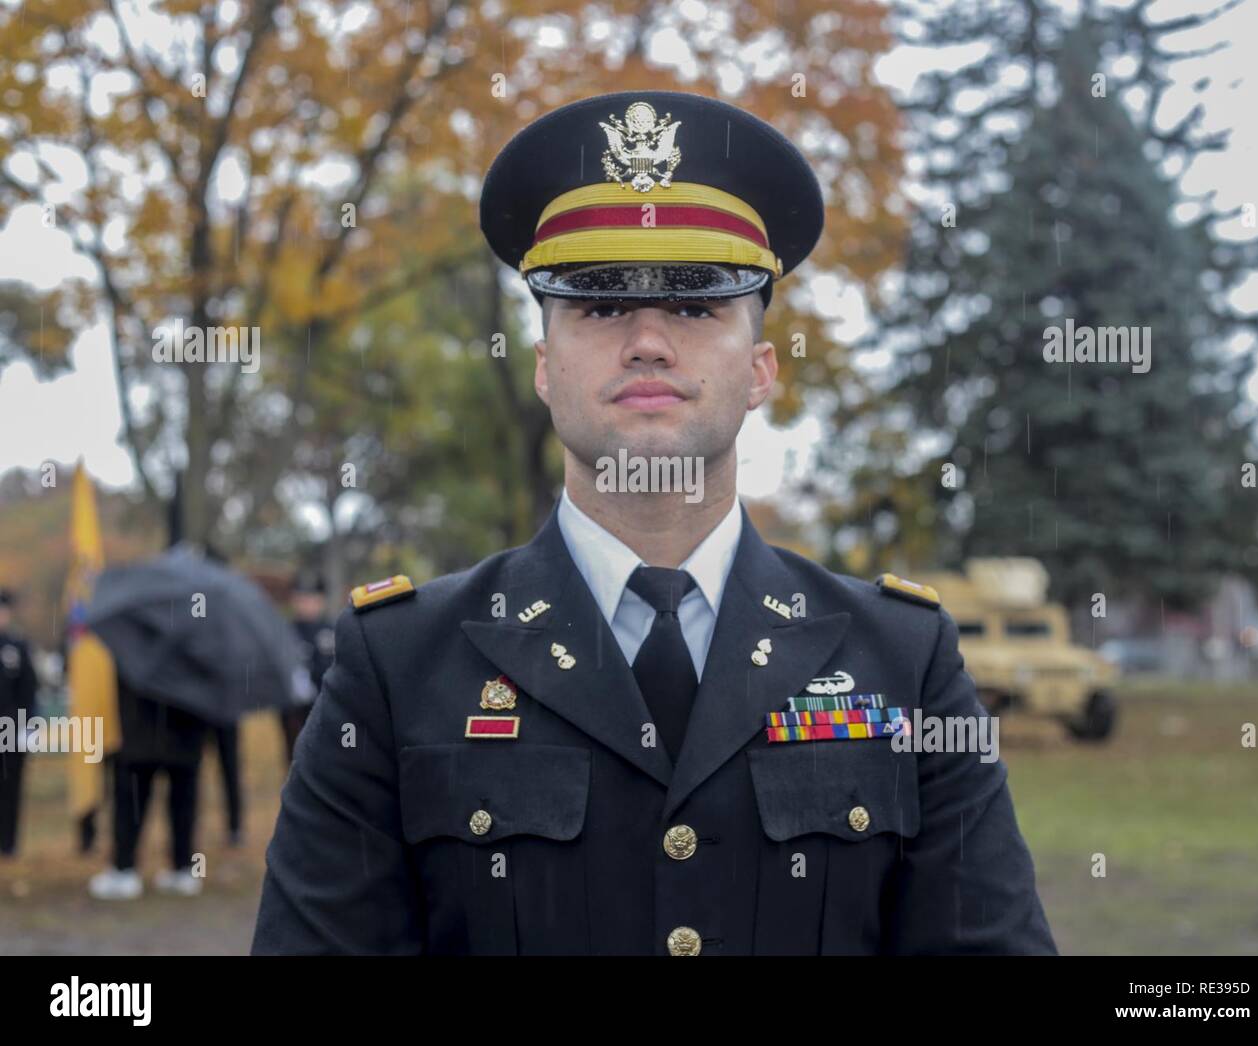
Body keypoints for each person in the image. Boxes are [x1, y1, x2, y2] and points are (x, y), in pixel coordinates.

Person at [252, 90, 1057, 955]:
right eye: (598, 305)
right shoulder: (399, 665)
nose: (646, 341)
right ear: (545, 368)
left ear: (758, 371)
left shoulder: (903, 660)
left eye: (694, 304)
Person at [89, 676, 209, 899]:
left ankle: (126, 868)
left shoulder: (136, 645)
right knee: (181, 801)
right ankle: (181, 867)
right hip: (181, 733)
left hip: (143, 732)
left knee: (135, 801)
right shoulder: (196, 644)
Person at [281, 569, 334, 765]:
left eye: (312, 598)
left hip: (325, 706)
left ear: (321, 600)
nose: (306, 603)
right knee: (294, 757)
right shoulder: (284, 631)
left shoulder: (333, 630)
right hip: (293, 708)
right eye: (301, 598)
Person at [0, 588, 38, 858]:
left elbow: (29, 691)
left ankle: (8, 843)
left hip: (11, 730)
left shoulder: (17, 646)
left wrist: (29, 728)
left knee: (10, 789)